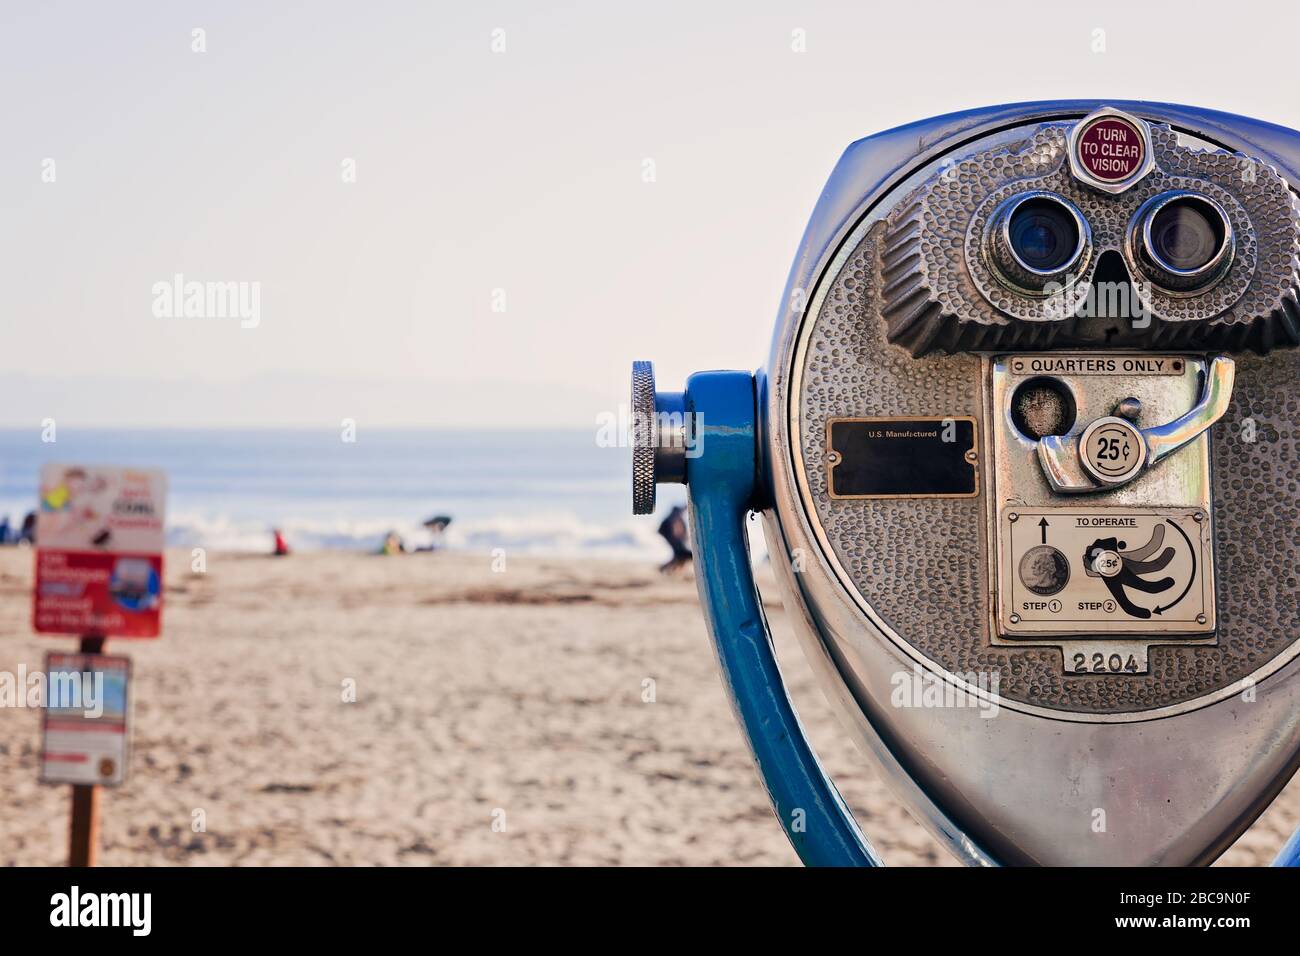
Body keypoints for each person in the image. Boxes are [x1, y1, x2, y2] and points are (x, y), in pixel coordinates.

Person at [657, 505, 692, 574]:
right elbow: (676, 525)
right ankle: (664, 569)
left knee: (679, 555)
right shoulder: (676, 514)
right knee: (681, 554)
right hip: (671, 536)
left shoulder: (675, 515)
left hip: (670, 536)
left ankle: (668, 569)